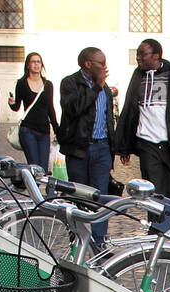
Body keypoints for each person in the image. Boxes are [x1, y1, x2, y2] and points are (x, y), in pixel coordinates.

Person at [114, 38, 170, 201]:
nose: (138, 58)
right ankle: (155, 225)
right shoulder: (138, 77)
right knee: (152, 194)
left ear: (156, 56)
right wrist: (125, 146)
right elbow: (129, 110)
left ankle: (169, 225)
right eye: (137, 54)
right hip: (147, 144)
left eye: (142, 54)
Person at [58, 47, 116, 242]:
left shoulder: (104, 87)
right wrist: (96, 87)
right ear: (87, 64)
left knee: (101, 197)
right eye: (101, 63)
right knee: (79, 196)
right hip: (79, 149)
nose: (105, 67)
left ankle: (99, 242)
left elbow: (109, 118)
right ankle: (79, 239)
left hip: (102, 148)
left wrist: (113, 146)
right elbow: (73, 109)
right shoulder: (70, 82)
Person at [8, 52, 59, 170]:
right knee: (34, 166)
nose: (36, 64)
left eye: (39, 62)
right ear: (28, 65)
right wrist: (11, 103)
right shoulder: (22, 83)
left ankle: (36, 187)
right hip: (28, 130)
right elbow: (17, 107)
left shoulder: (48, 85)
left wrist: (57, 129)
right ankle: (32, 187)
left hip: (44, 131)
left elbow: (50, 108)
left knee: (44, 168)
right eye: (33, 62)